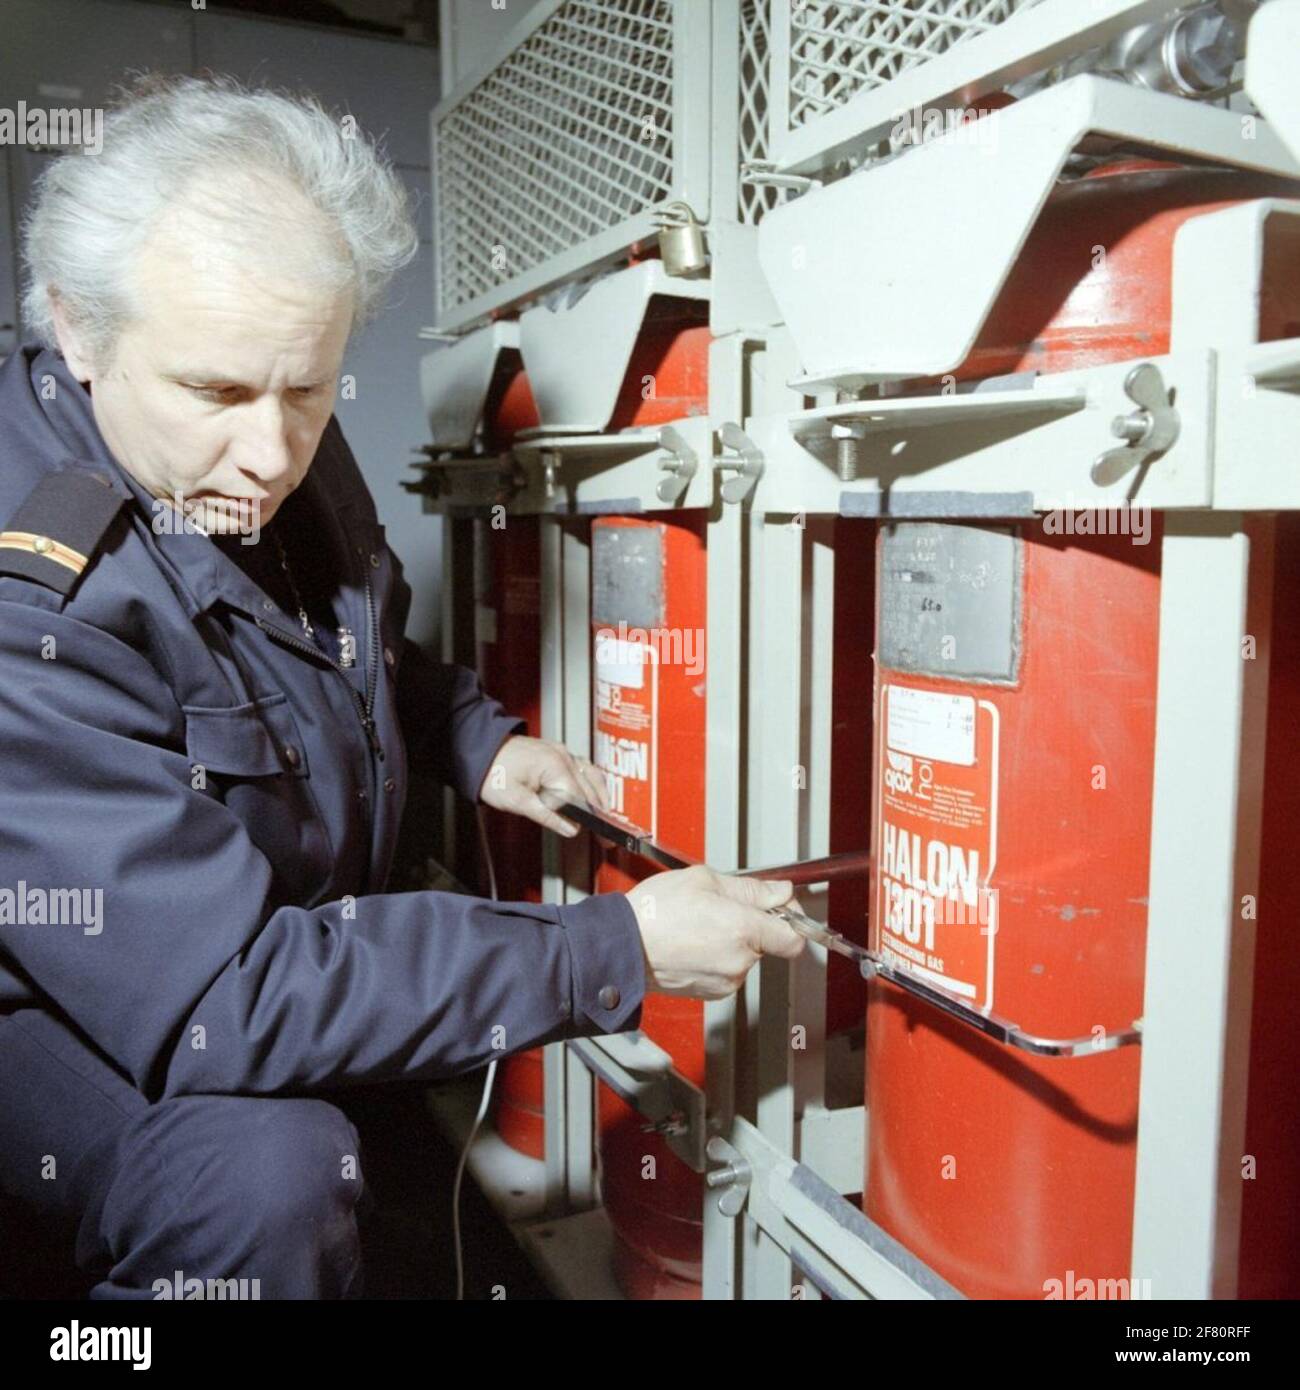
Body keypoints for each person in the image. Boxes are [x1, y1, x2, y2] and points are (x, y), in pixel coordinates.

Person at [0, 75, 803, 1299]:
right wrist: (612, 946)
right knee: (263, 1174)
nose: (270, 451)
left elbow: (329, 647)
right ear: (76, 329)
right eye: (214, 392)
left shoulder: (261, 431)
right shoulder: (29, 604)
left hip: (255, 949)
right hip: (78, 1001)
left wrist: (471, 738)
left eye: (309, 388)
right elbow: (228, 993)